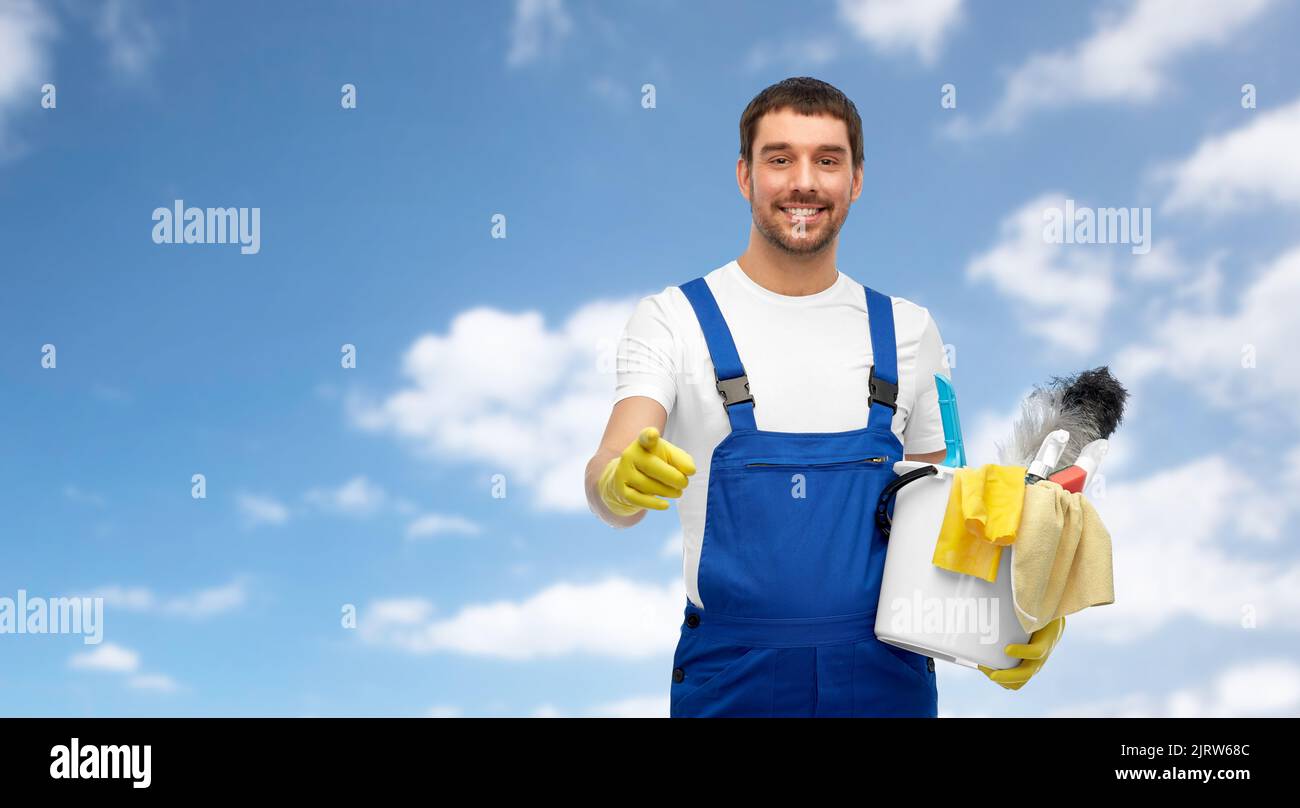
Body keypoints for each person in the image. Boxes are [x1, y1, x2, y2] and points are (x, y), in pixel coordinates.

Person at [583, 77, 1058, 718]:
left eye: (827, 160)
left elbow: (946, 516)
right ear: (745, 176)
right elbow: (610, 466)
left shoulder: (911, 331)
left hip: (886, 677)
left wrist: (1006, 614)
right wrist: (618, 486)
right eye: (780, 158)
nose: (803, 182)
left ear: (856, 180)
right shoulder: (672, 318)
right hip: (729, 680)